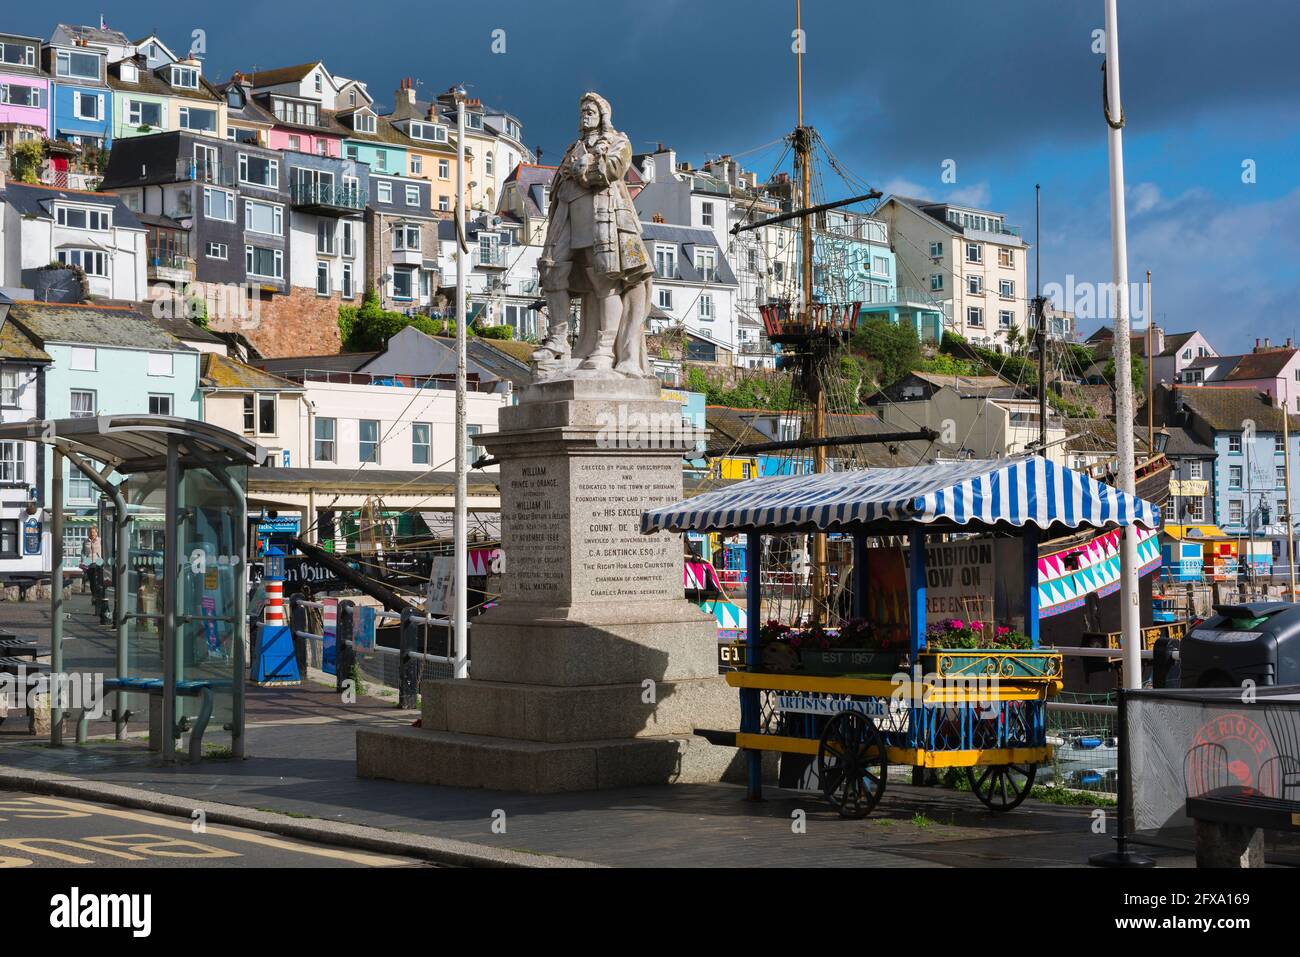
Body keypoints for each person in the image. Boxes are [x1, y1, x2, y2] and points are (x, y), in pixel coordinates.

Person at [81, 526, 109, 624]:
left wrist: (104, 560)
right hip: (89, 561)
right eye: (91, 532)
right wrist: (83, 561)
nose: (92, 534)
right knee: (91, 581)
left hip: (98, 560)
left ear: (96, 533)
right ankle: (94, 595)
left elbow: (105, 550)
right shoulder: (86, 541)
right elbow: (83, 552)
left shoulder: (100, 540)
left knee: (98, 582)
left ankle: (98, 597)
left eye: (94, 532)